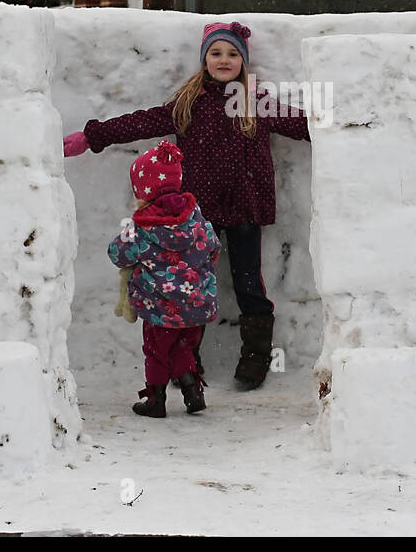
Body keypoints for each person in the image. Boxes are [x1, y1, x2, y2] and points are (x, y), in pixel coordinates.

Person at [66, 21, 310, 389]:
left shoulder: (256, 103)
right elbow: (142, 122)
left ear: (243, 61)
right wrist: (93, 136)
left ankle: (256, 358)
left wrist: (347, 124)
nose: (224, 60)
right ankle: (186, 358)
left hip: (246, 208)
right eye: (216, 53)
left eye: (231, 54)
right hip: (198, 219)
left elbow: (302, 123)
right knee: (189, 286)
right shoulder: (188, 102)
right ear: (204, 59)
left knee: (248, 285)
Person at [108, 140, 220, 417]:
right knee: (183, 346)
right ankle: (192, 390)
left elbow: (118, 254)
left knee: (157, 350)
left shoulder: (143, 226)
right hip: (195, 303)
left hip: (161, 307)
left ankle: (155, 400)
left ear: (144, 190)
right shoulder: (195, 217)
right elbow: (213, 245)